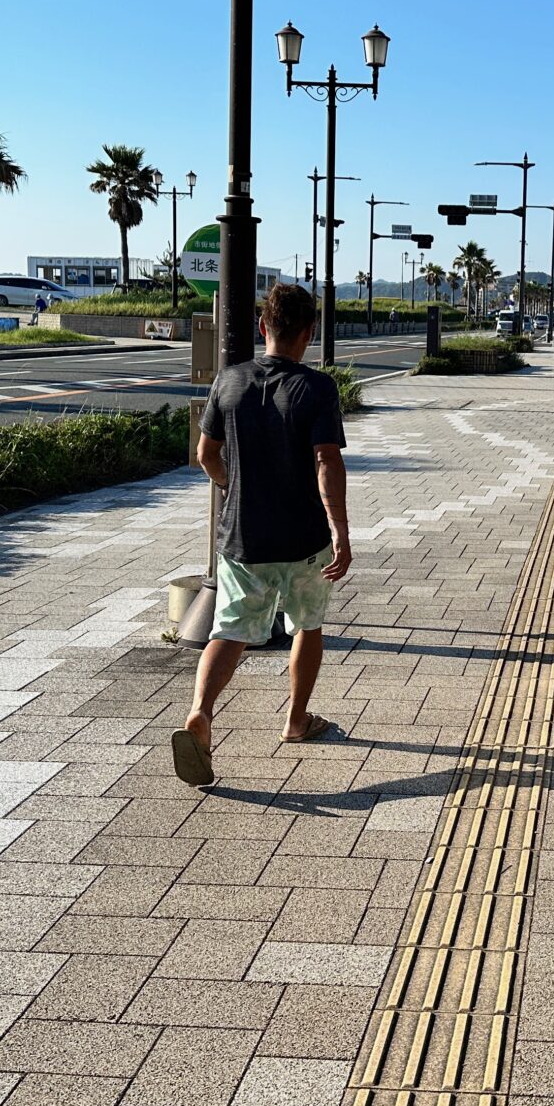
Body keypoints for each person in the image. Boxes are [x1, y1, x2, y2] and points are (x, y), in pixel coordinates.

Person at [172, 282, 351, 788]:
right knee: (307, 625)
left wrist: (241, 487)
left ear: (263, 327)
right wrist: (340, 531)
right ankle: (297, 721)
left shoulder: (229, 382)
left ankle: (201, 713)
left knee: (228, 631)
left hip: (242, 538)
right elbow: (326, 461)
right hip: (304, 540)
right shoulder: (317, 388)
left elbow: (207, 455)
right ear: (309, 333)